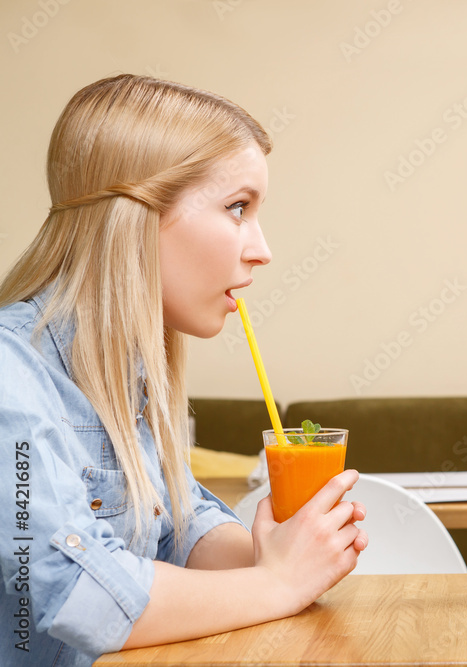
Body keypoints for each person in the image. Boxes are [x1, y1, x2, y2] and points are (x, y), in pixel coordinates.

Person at [0, 75, 368, 666]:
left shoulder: (123, 375)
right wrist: (275, 583)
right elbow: (76, 594)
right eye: (238, 208)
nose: (262, 249)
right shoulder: (9, 375)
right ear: (136, 215)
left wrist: (279, 552)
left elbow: (174, 529)